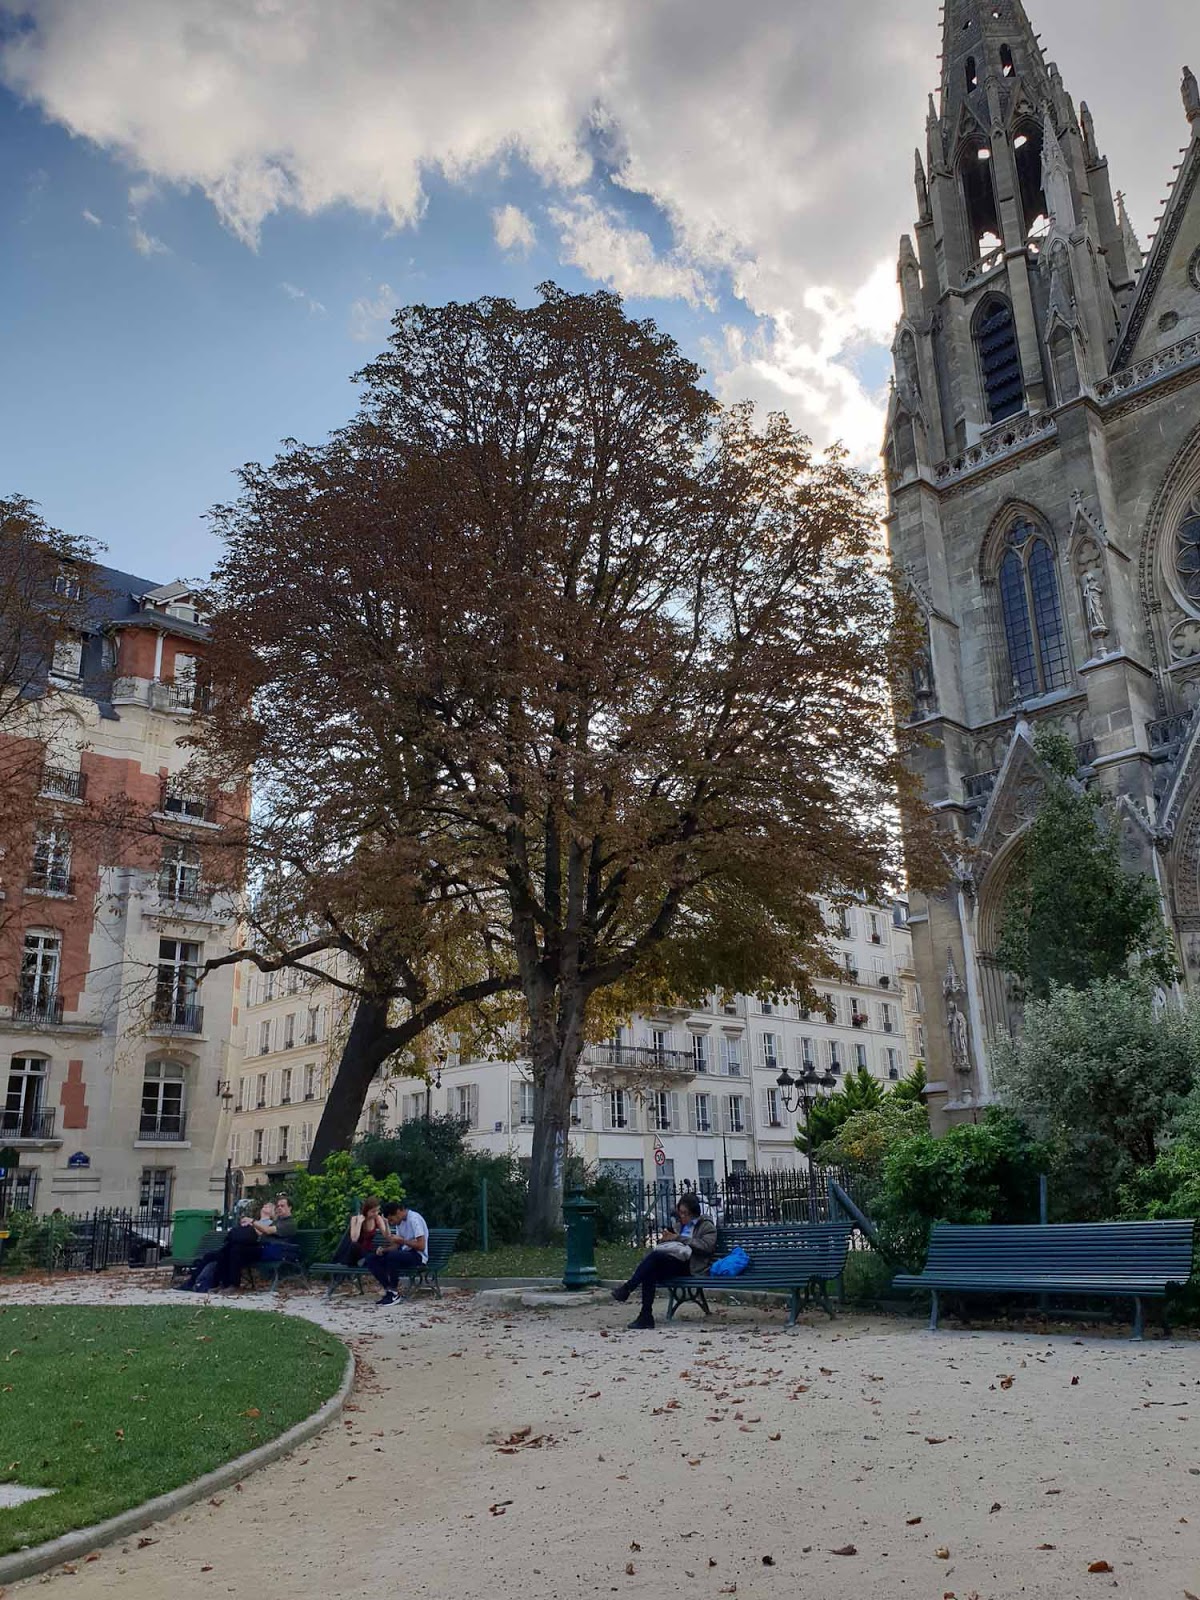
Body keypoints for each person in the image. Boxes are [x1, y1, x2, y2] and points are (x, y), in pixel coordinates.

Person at [610, 1192, 717, 1330]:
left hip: (691, 1265)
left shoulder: (706, 1226)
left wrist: (678, 1238)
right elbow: (669, 1246)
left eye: (685, 1213)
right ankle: (645, 1315)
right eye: (680, 1213)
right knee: (650, 1271)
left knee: (654, 1260)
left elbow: (706, 1247)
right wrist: (665, 1240)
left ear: (694, 1212)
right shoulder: (678, 1226)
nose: (682, 1217)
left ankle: (628, 1288)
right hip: (674, 1262)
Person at [180, 1199, 288, 1292]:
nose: (266, 1206)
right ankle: (196, 1282)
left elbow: (263, 1232)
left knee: (233, 1250)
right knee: (217, 1254)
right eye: (277, 1206)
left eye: (270, 1206)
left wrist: (251, 1224)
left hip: (255, 1249)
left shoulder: (270, 1223)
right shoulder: (255, 1221)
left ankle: (231, 1284)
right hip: (242, 1246)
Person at [365, 1199, 429, 1307]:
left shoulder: (414, 1219)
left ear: (398, 1212)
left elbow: (421, 1246)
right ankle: (389, 1290)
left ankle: (394, 1292)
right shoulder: (400, 1222)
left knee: (393, 1256)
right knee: (372, 1258)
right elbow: (397, 1245)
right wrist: (383, 1250)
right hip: (405, 1253)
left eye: (391, 1220)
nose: (391, 1223)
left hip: (418, 1256)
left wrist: (403, 1241)